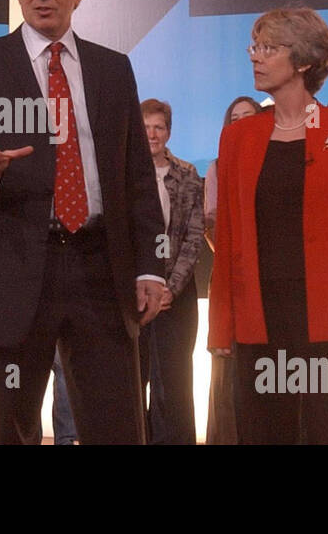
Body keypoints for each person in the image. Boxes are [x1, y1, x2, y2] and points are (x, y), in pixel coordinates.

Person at [0, 0, 166, 444]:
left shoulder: (112, 68)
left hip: (101, 267)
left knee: (119, 423)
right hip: (12, 265)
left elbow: (137, 176)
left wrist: (150, 265)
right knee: (12, 426)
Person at [208, 5, 328, 445]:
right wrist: (221, 323)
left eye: (269, 47)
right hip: (259, 317)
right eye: (255, 46)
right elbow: (228, 236)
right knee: (263, 432)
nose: (255, 56)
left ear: (304, 61)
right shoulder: (239, 137)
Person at [139, 98, 204, 444]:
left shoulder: (187, 174)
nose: (152, 134)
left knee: (175, 386)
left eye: (158, 127)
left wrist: (170, 289)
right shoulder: (121, 173)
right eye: (146, 127)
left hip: (177, 298)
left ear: (169, 131)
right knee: (134, 382)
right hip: (134, 296)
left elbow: (194, 237)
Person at [204, 95, 260, 445]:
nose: (240, 122)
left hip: (272, 285)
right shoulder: (217, 167)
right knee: (229, 374)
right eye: (234, 117)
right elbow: (211, 225)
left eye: (248, 116)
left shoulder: (278, 158)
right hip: (233, 283)